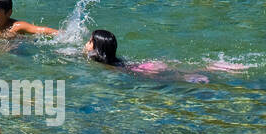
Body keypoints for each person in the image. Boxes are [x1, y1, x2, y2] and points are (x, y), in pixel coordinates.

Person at [85, 29, 237, 83]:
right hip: (146, 64)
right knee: (178, 68)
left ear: (97, 48)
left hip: (142, 70)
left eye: (90, 41)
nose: (87, 43)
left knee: (174, 78)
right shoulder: (112, 59)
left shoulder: (105, 64)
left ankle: (192, 76)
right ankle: (215, 67)